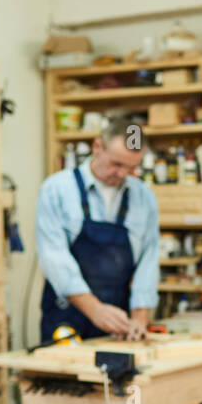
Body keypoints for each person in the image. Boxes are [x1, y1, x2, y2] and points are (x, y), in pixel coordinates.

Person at [36, 116, 159, 343]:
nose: (123, 174)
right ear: (97, 147)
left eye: (132, 168)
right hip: (67, 316)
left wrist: (141, 316)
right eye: (117, 164)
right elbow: (54, 257)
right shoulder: (56, 190)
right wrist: (95, 310)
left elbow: (149, 259)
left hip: (118, 320)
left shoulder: (144, 197)